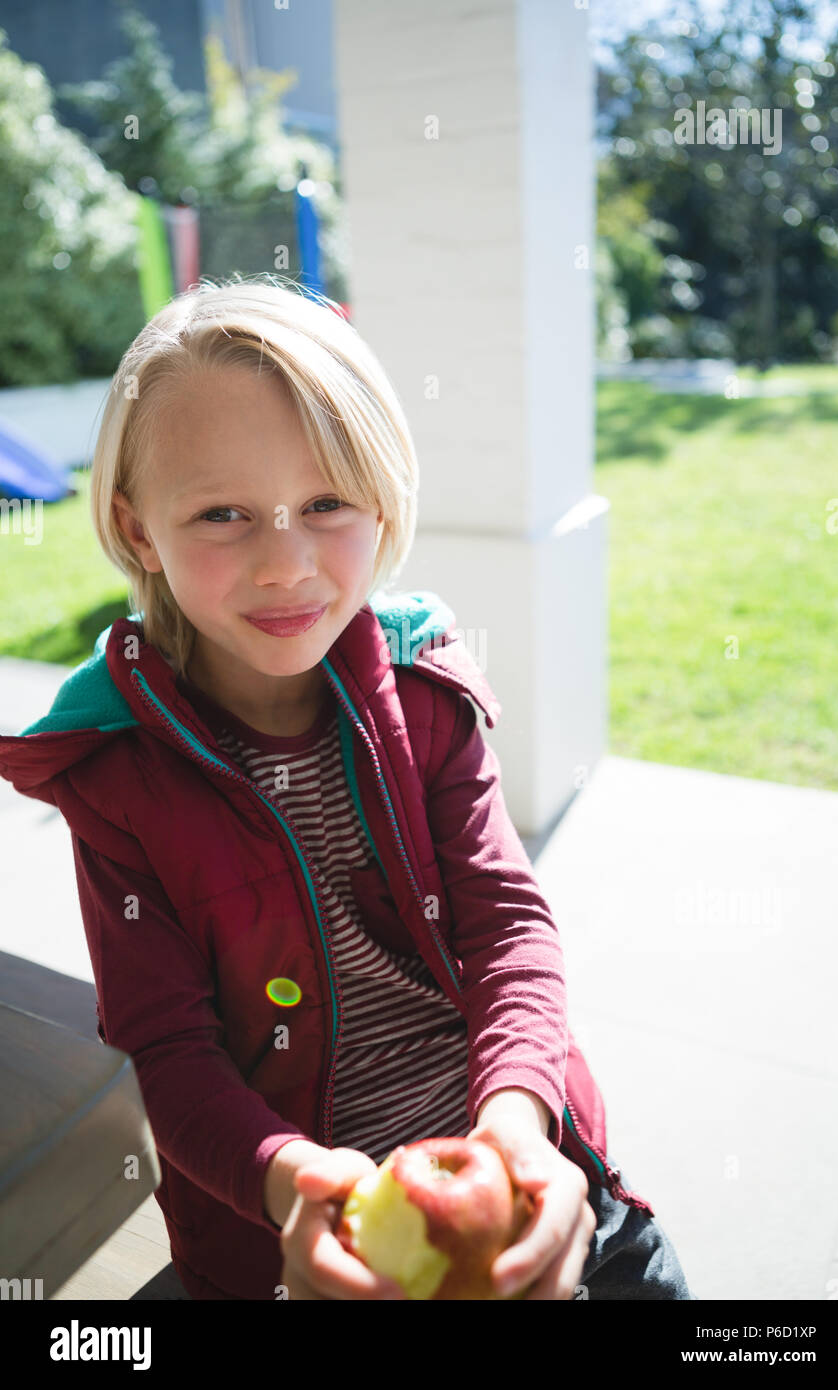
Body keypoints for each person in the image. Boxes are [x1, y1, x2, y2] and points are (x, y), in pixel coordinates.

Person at [0, 277, 694, 1301]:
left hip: (522, 1168)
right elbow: (171, 1048)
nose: (286, 564)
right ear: (139, 531)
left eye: (324, 503)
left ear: (383, 498)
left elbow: (508, 929)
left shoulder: (426, 694)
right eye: (222, 513)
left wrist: (516, 1128)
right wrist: (294, 1184)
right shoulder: (117, 779)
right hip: (288, 1241)